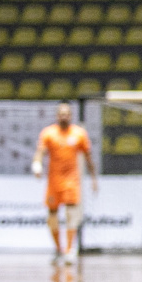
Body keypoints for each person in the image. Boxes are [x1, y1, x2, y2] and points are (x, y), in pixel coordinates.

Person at [32, 103, 98, 265]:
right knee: (52, 216)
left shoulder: (79, 134)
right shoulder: (48, 133)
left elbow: (88, 157)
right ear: (57, 115)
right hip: (54, 181)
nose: (64, 116)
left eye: (67, 113)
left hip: (71, 181)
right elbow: (40, 152)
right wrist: (37, 165)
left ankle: (69, 251)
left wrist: (94, 178)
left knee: (71, 214)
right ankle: (58, 249)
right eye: (61, 113)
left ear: (71, 115)